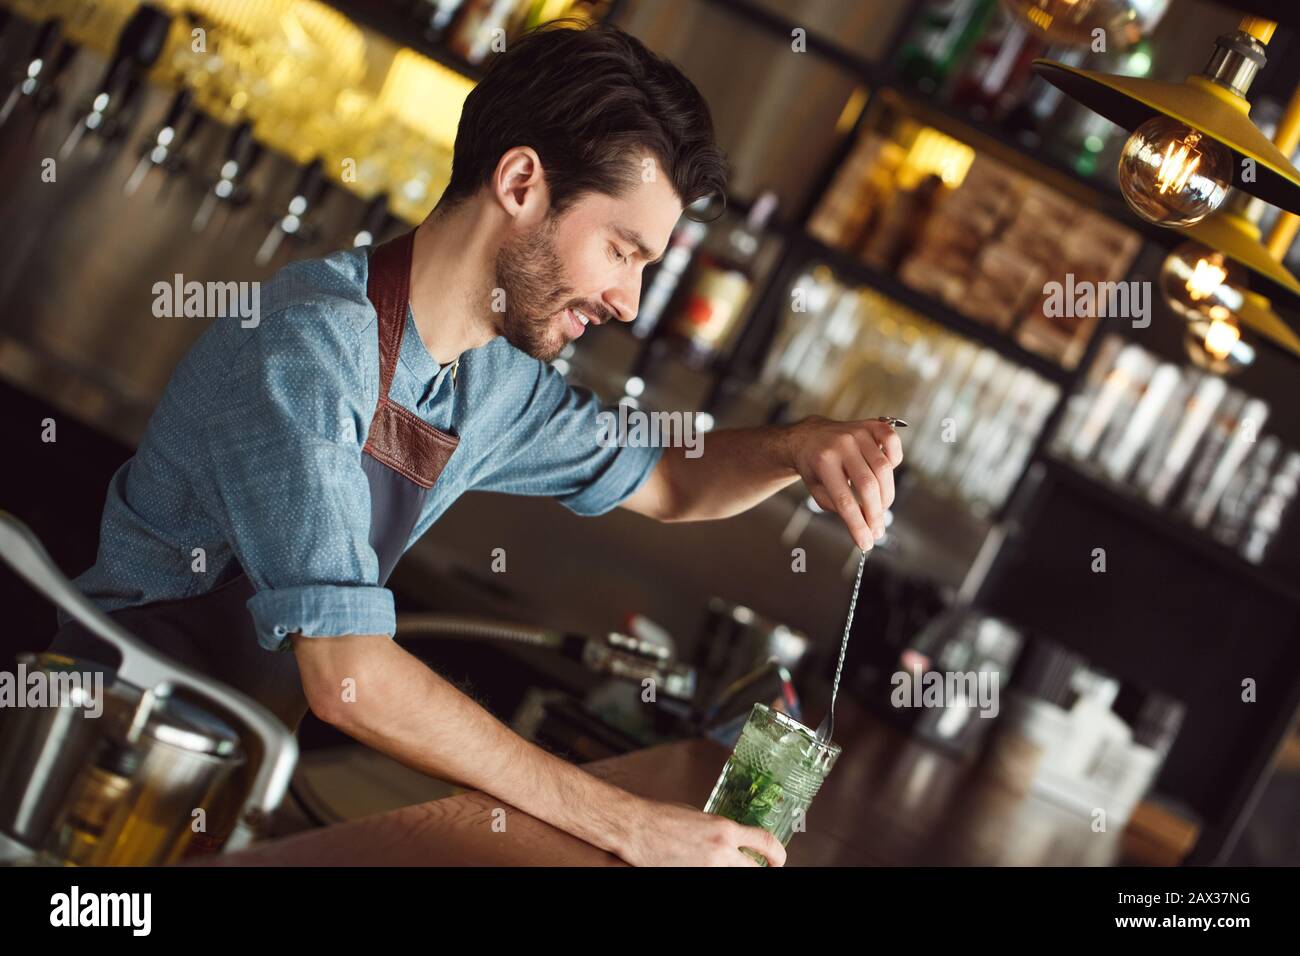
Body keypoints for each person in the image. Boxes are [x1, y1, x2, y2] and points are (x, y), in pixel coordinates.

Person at [52, 22, 902, 866]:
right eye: (620, 249)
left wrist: (795, 448)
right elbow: (349, 676)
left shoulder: (489, 381)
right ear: (523, 182)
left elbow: (674, 483)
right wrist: (628, 822)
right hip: (87, 766)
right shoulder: (311, 348)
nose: (629, 301)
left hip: (217, 781)